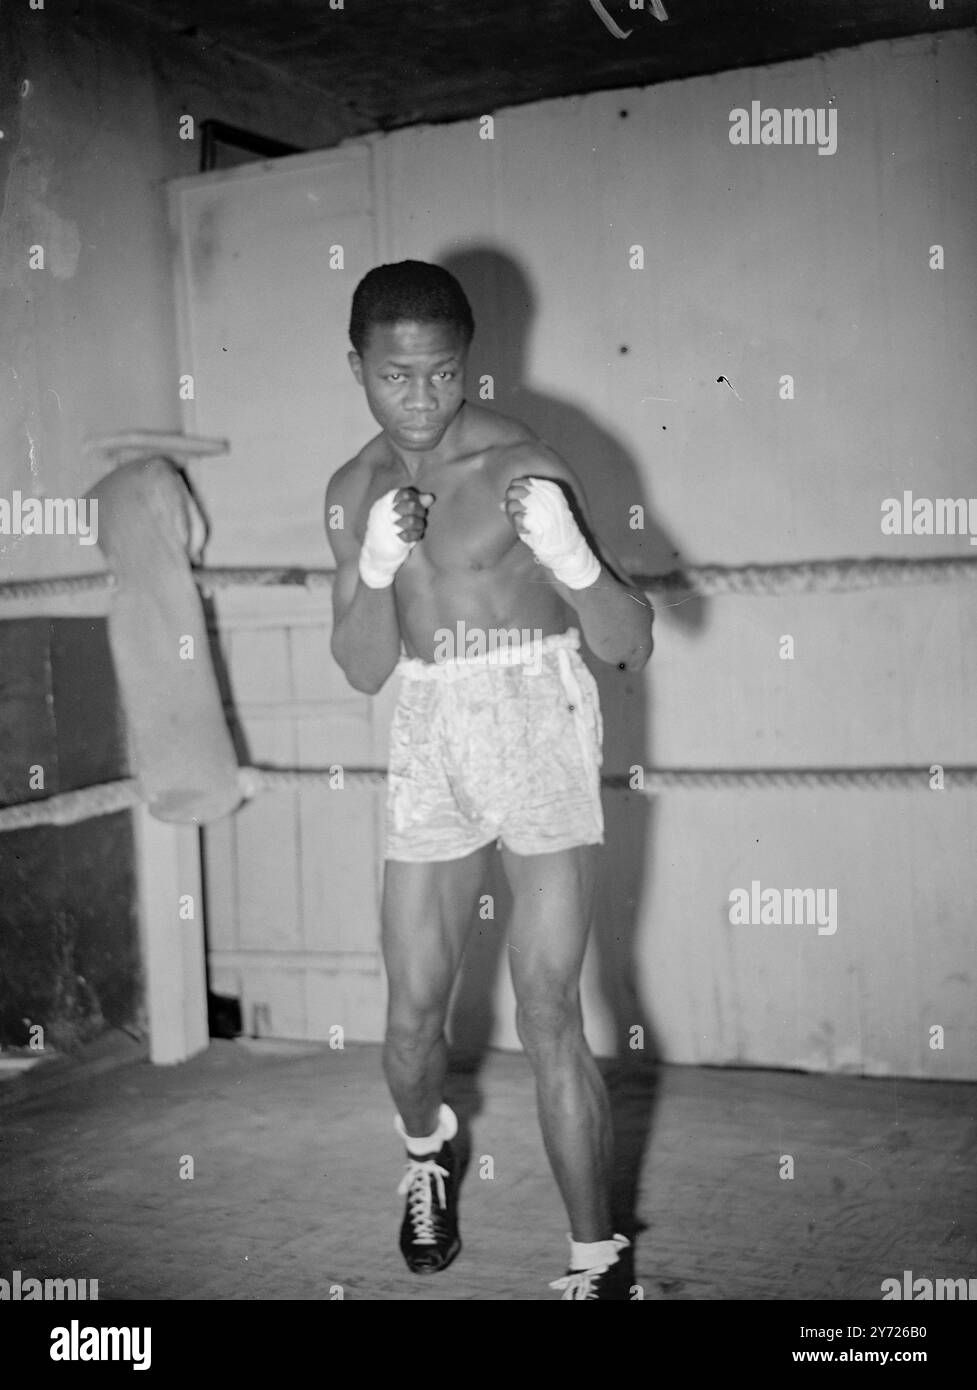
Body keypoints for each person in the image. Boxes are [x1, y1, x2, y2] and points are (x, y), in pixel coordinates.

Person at [325, 261, 654, 1300]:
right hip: (429, 725)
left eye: (441, 373)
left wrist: (575, 562)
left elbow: (629, 641)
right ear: (356, 368)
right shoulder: (348, 492)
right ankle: (426, 1155)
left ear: (467, 363)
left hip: (537, 716)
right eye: (395, 377)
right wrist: (372, 572)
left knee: (547, 1008)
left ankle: (594, 1263)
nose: (420, 400)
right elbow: (363, 669)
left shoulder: (524, 464)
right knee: (410, 1021)